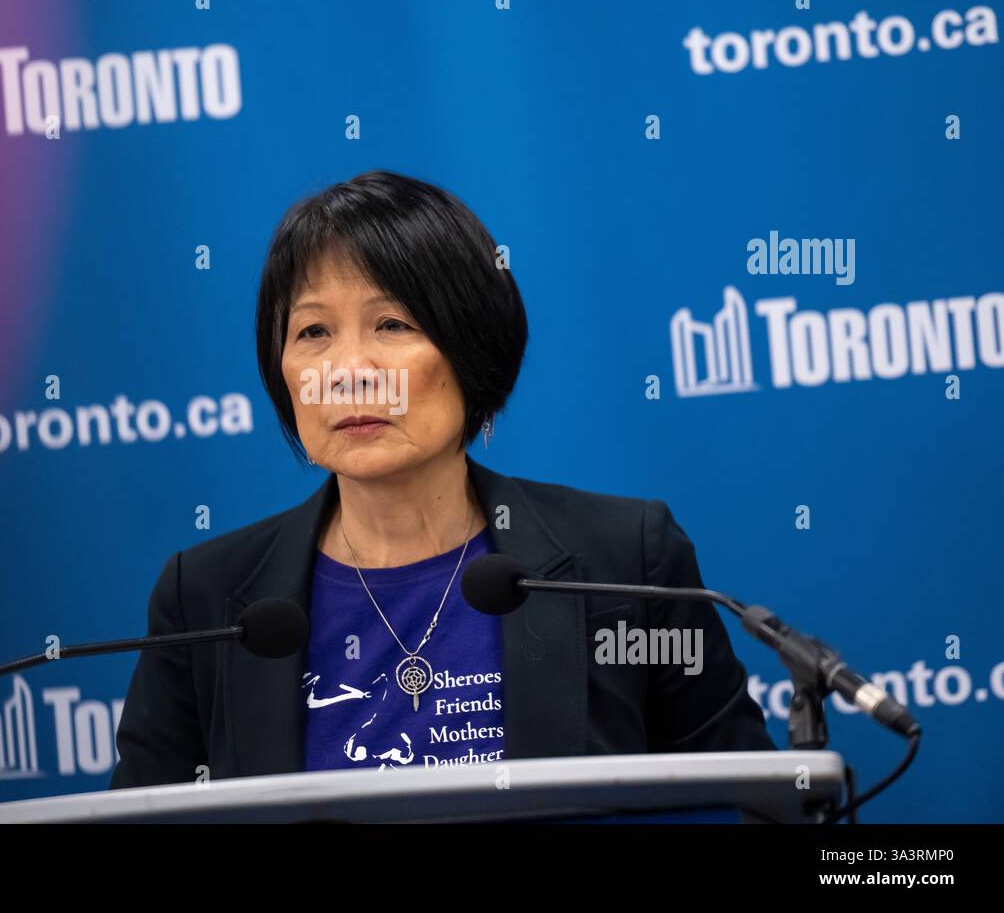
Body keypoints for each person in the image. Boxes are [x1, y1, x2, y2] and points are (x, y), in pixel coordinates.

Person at [110, 170, 774, 788]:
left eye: (392, 324)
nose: (348, 370)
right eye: (313, 331)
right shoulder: (204, 599)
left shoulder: (625, 559)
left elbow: (744, 802)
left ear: (472, 346)